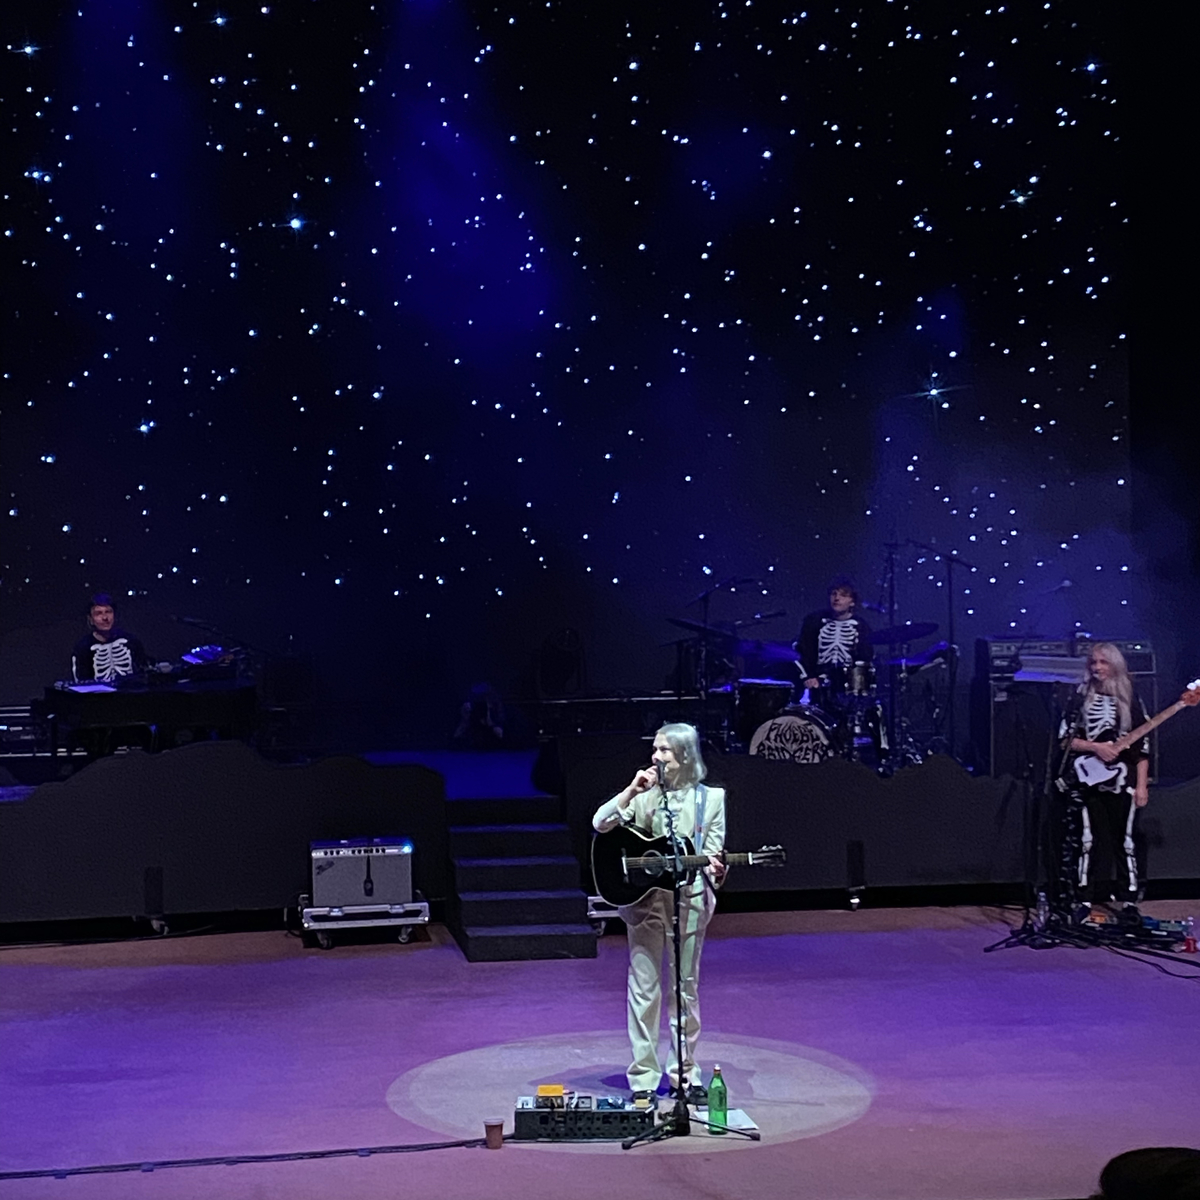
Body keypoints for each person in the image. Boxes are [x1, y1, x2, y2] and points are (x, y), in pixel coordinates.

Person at [592, 723, 727, 1103]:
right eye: (655, 749)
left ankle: (685, 1075)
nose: (656, 757)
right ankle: (643, 1080)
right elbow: (600, 824)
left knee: (685, 990)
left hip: (690, 903)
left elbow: (714, 851)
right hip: (646, 904)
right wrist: (632, 790)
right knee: (645, 989)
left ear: (684, 756)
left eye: (665, 750)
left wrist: (718, 869)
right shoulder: (643, 794)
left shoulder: (710, 800)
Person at [1058, 642, 1150, 922]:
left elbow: (1143, 746)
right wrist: (1095, 747)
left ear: (1115, 665)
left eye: (1103, 662)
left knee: (1126, 842)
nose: (1097, 668)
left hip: (1124, 781)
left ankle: (1129, 900)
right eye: (1093, 663)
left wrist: (1143, 785)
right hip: (1088, 779)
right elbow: (1064, 739)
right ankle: (1083, 898)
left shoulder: (1131, 698)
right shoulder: (1079, 696)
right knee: (1087, 840)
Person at [795, 576, 874, 692]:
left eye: (843, 595)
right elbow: (801, 652)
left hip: (849, 685)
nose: (837, 598)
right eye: (834, 594)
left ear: (852, 601)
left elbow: (865, 659)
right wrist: (808, 677)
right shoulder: (813, 622)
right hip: (817, 683)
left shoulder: (862, 627)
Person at [71, 593, 148, 683]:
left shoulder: (132, 642)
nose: (105, 618)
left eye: (108, 612)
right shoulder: (83, 649)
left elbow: (144, 674)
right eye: (98, 613)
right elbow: (80, 683)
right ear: (91, 620)